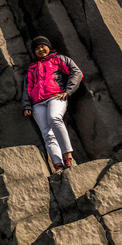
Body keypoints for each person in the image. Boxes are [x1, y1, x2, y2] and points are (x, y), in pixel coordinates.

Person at [21, 36, 83, 172]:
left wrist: (68, 91)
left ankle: (68, 158)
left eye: (42, 46)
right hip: (37, 103)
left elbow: (76, 72)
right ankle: (58, 165)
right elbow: (27, 88)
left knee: (55, 118)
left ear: (49, 47)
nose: (40, 49)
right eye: (37, 48)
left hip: (56, 97)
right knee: (47, 133)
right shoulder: (32, 67)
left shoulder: (59, 59)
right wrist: (26, 105)